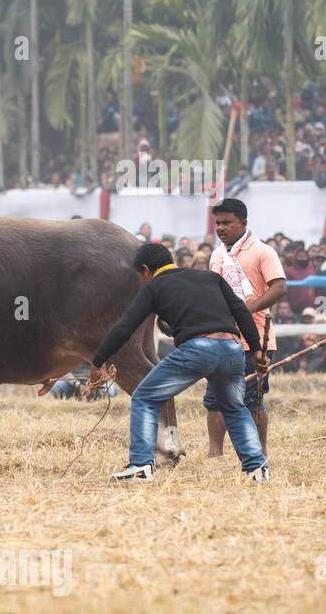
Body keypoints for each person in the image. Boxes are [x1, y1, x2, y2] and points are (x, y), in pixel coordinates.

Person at [88, 243, 269, 482]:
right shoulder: (211, 278)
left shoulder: (154, 286)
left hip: (198, 349)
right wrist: (256, 350)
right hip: (232, 348)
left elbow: (125, 327)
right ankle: (257, 468)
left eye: (140, 276)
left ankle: (141, 465)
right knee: (234, 407)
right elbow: (241, 312)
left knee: (144, 397)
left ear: (145, 270)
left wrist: (97, 360)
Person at [207, 197, 286, 455]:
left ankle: (258, 453)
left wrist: (246, 309)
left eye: (227, 222)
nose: (220, 227)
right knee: (215, 400)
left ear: (243, 223)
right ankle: (214, 455)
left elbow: (279, 287)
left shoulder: (263, 252)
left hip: (256, 339)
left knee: (253, 399)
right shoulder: (216, 255)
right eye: (217, 222)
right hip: (221, 338)